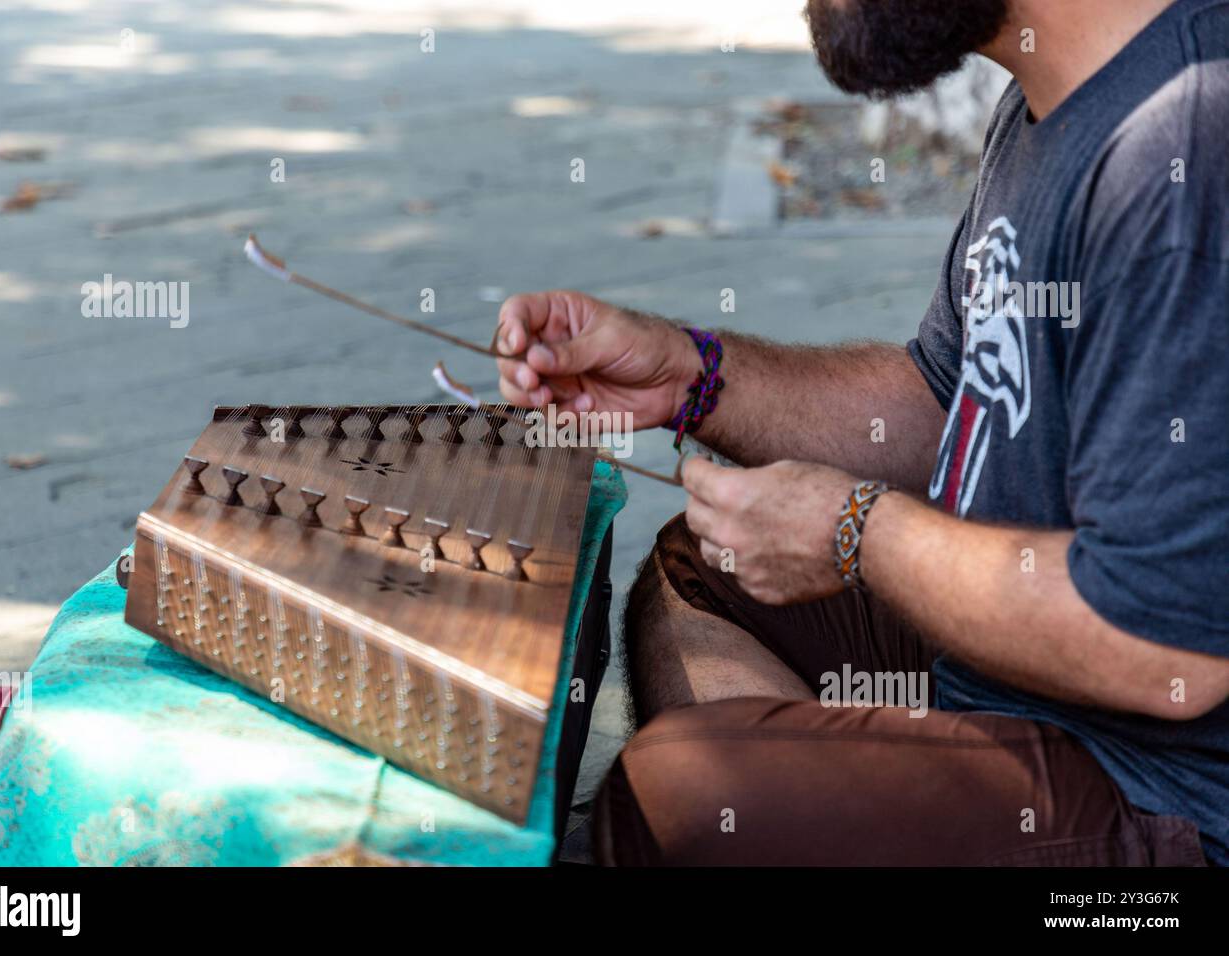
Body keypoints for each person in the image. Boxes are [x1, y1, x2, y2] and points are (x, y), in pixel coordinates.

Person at [495, 0, 1229, 865]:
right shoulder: (1057, 87)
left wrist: (854, 530)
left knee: (685, 795)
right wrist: (694, 375)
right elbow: (946, 403)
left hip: (1171, 810)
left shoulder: (1180, 146)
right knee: (710, 564)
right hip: (1022, 686)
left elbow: (1165, 649)